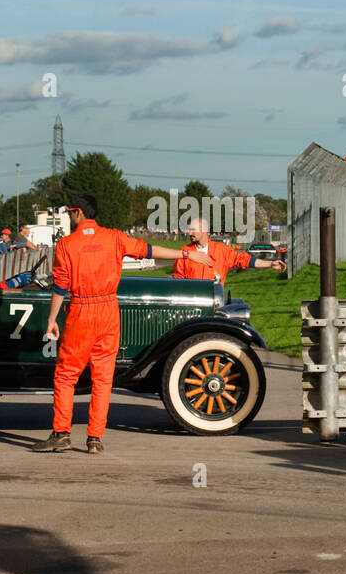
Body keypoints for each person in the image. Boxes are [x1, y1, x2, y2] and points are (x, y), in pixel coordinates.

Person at [33, 194, 211, 455]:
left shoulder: (66, 245)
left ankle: (61, 433)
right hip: (109, 311)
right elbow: (149, 250)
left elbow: (60, 285)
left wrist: (51, 320)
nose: (69, 218)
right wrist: (186, 255)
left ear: (78, 213)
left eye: (70, 213)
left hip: (81, 311)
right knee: (103, 379)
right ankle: (95, 438)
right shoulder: (115, 237)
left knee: (66, 375)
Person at [171, 217, 286, 284]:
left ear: (204, 230)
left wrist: (270, 263)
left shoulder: (222, 250)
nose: (189, 233)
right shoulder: (185, 251)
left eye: (193, 230)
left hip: (214, 304)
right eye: (189, 230)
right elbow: (177, 280)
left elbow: (246, 261)